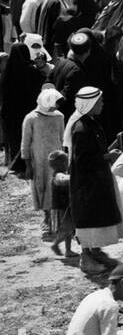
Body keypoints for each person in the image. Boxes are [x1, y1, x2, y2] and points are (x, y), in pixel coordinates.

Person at [65, 86, 123, 274]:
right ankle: (86, 258)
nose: (103, 104)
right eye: (99, 102)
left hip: (97, 181)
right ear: (90, 104)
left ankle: (95, 252)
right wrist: (106, 157)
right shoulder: (81, 129)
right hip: (87, 185)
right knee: (88, 221)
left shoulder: (91, 123)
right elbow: (82, 160)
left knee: (98, 219)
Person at [20, 85, 64, 235]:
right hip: (38, 161)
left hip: (56, 159)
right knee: (42, 187)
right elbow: (25, 142)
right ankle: (46, 218)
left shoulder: (59, 117)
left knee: (56, 188)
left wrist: (64, 157)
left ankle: (57, 221)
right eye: (54, 102)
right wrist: (28, 164)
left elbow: (62, 138)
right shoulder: (31, 118)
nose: (56, 106)